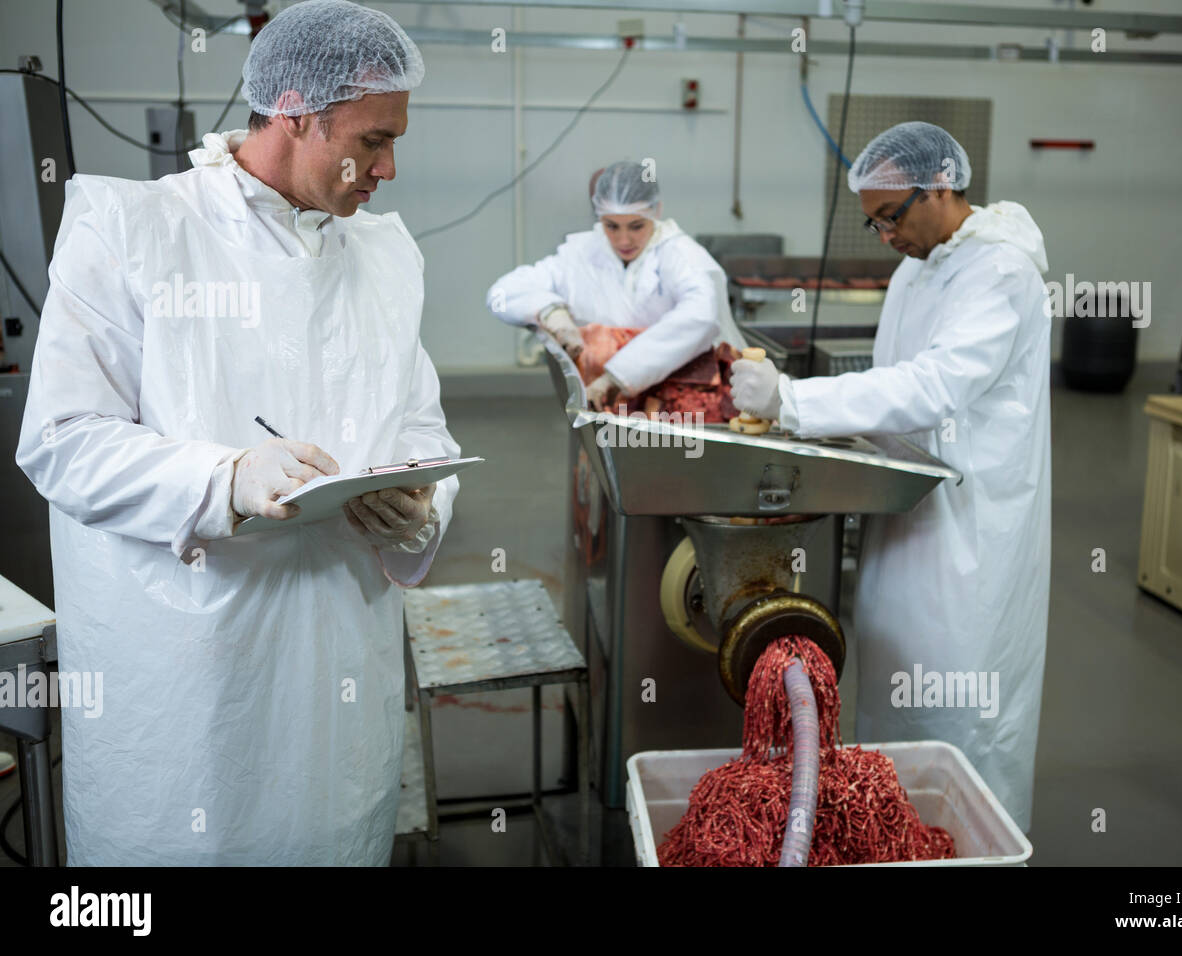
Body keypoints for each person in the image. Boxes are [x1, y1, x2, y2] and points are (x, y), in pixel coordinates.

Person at [15, 0, 458, 864]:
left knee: (335, 835)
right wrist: (223, 480)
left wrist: (426, 501)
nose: (390, 168)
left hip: (338, 661)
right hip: (188, 681)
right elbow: (62, 440)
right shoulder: (135, 231)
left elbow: (421, 426)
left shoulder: (385, 257)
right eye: (372, 140)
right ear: (296, 111)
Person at [730, 121, 1051, 833]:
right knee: (893, 688)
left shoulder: (1000, 271)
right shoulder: (916, 268)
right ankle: (891, 832)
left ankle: (971, 839)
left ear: (939, 186)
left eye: (890, 218)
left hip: (971, 526)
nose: (884, 238)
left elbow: (936, 387)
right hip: (904, 504)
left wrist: (793, 400)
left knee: (960, 706)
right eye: (872, 223)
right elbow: (889, 383)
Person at [486, 161, 745, 406]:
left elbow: (700, 315)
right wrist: (552, 312)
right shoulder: (584, 252)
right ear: (599, 217)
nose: (623, 240)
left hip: (693, 397)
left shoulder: (682, 256)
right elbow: (504, 291)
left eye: (636, 226)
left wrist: (619, 375)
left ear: (656, 212)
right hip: (605, 399)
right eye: (612, 226)